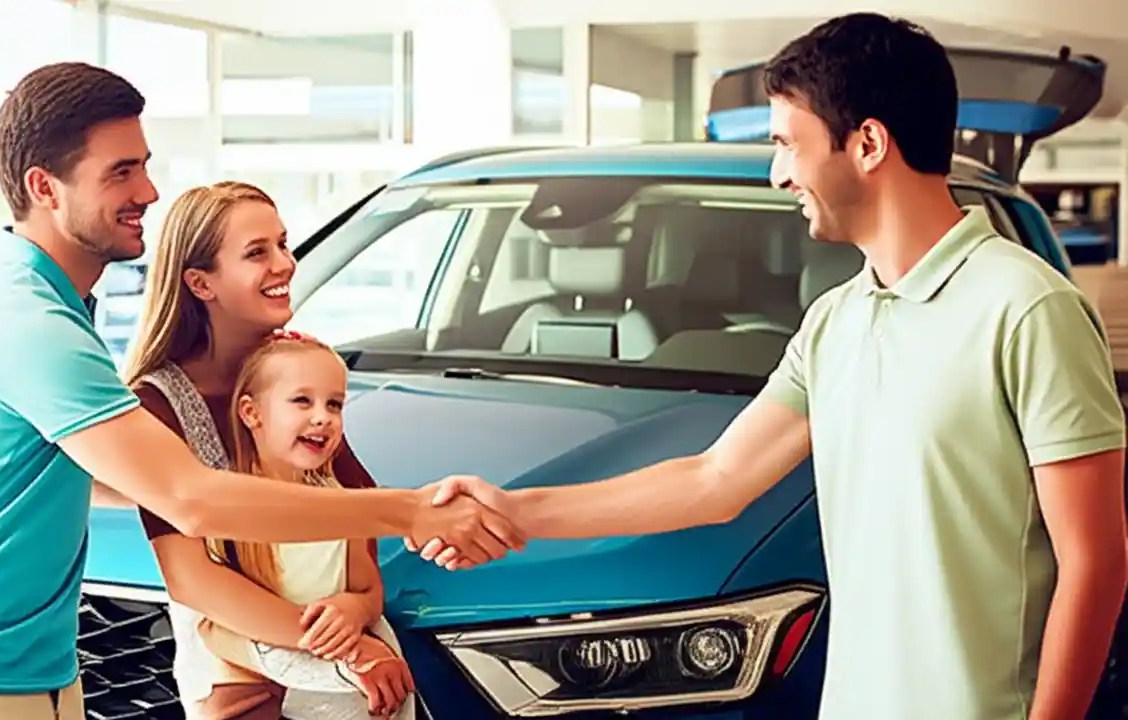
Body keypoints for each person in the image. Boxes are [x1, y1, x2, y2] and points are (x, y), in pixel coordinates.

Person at [415, 13, 1128, 720]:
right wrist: (516, 511)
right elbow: (713, 480)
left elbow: (1095, 560)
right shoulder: (836, 321)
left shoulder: (1027, 308)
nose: (778, 172)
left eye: (788, 143)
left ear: (868, 143)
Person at [0, 62, 522, 720]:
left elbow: (111, 480)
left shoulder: (53, 304)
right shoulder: (27, 317)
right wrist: (411, 513)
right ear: (44, 188)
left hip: (33, 675)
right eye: (119, 171)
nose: (148, 191)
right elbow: (191, 501)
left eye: (144, 165)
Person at [104, 180, 412, 719]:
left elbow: (353, 512)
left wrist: (356, 607)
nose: (285, 265)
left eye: (283, 244)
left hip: (326, 657)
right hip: (236, 670)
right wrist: (343, 648)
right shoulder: (158, 403)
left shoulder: (296, 380)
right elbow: (191, 578)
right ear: (201, 283)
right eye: (257, 252)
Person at [183, 327, 416, 720]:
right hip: (267, 681)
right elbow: (214, 627)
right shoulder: (226, 506)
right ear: (251, 412)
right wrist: (347, 654)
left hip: (341, 694)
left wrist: (353, 608)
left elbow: (367, 588)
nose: (322, 418)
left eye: (335, 405)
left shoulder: (344, 501)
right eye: (302, 402)